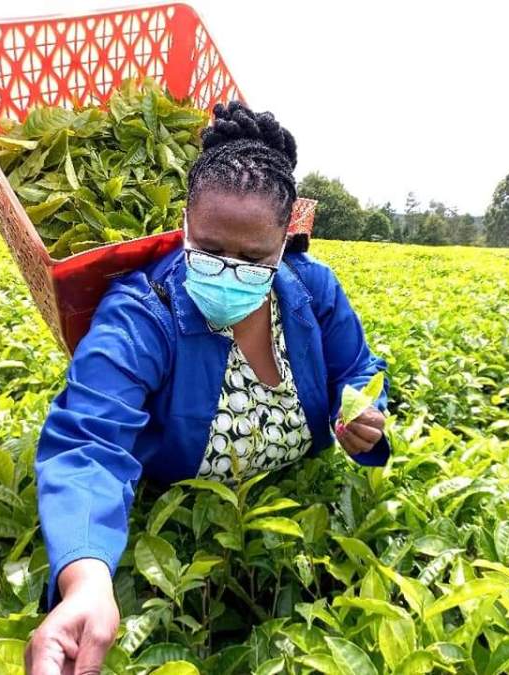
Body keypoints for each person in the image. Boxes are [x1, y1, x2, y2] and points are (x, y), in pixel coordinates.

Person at [26, 102, 390, 673]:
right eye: (211, 250)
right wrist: (86, 578)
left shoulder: (312, 289)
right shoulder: (144, 311)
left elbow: (359, 368)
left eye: (254, 258)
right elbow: (89, 442)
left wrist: (364, 414)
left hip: (298, 531)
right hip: (186, 543)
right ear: (186, 225)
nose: (229, 270)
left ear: (285, 239)